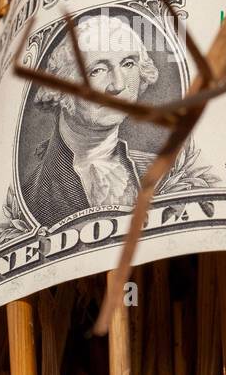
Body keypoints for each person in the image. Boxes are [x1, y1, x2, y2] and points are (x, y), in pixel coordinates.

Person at [21, 13, 160, 226]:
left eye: (128, 64)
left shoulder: (161, 170)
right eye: (97, 70)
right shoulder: (33, 197)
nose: (118, 85)